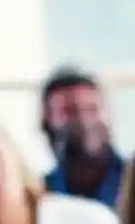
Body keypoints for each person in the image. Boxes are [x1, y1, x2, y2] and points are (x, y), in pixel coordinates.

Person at [40, 67, 125, 208]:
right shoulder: (40, 194)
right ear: (46, 122)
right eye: (69, 111)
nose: (84, 120)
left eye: (93, 109)